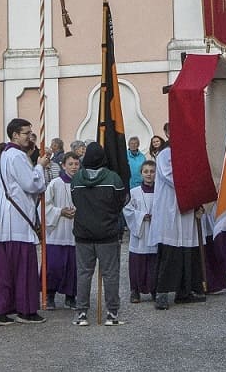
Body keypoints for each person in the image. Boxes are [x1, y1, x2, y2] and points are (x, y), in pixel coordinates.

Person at [0, 118, 49, 325]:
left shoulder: (6, 155)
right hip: (16, 219)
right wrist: (40, 167)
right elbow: (32, 184)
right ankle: (25, 309)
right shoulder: (18, 156)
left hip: (6, 217)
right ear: (14, 135)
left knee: (3, 269)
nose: (30, 136)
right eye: (26, 133)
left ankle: (1, 309)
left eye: (30, 133)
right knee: (23, 267)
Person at [70, 142, 130, 325]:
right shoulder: (113, 178)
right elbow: (122, 201)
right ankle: (112, 314)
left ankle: (81, 314)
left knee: (84, 273)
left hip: (83, 233)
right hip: (108, 233)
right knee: (110, 274)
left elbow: (75, 201)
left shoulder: (77, 179)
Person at [150, 124, 207, 308]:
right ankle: (161, 293)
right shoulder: (165, 154)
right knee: (170, 252)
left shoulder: (190, 152)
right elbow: (171, 177)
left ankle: (185, 291)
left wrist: (198, 197)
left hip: (187, 207)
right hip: (171, 208)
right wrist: (193, 187)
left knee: (188, 251)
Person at [44, 151, 81, 309]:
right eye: (70, 164)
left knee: (74, 266)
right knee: (54, 265)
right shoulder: (55, 183)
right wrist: (60, 211)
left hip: (75, 230)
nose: (74, 167)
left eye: (76, 164)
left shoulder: (82, 183)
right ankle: (50, 295)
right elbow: (44, 206)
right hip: (57, 230)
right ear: (63, 165)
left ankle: (70, 297)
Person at [124, 159, 160, 302]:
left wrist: (156, 217)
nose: (149, 174)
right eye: (146, 172)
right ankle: (135, 291)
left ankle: (154, 290)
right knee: (137, 263)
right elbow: (127, 210)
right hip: (140, 232)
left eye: (152, 171)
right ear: (141, 174)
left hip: (155, 231)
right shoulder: (134, 192)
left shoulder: (160, 191)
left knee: (154, 263)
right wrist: (141, 216)